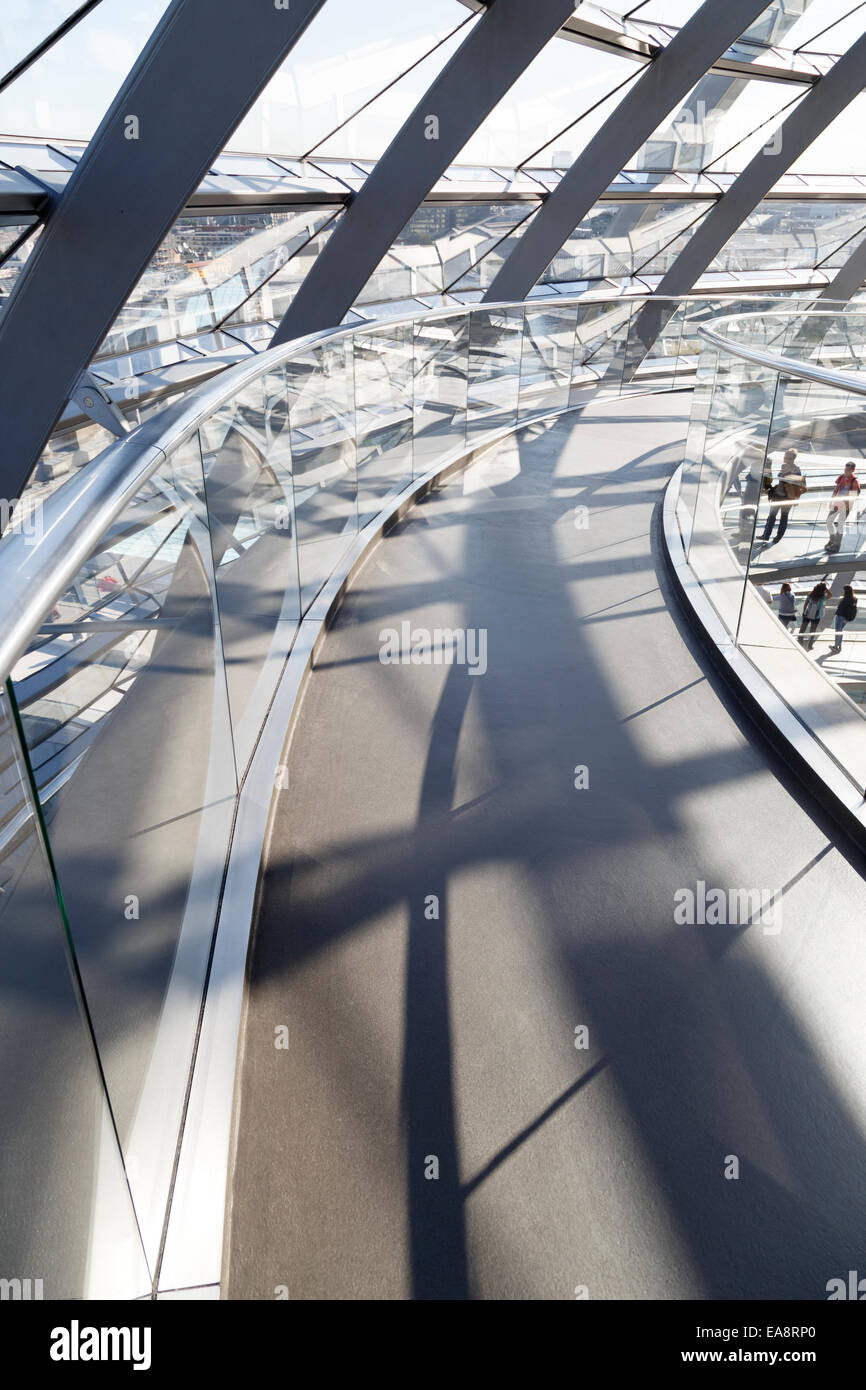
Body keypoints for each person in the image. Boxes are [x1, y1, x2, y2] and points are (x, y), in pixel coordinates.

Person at [760, 448, 806, 544]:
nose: (784, 458)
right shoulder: (783, 466)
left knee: (783, 517)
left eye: (787, 457)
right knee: (771, 516)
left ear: (792, 459)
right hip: (778, 495)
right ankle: (766, 535)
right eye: (785, 457)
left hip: (788, 497)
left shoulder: (796, 470)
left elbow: (798, 485)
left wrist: (796, 498)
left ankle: (778, 537)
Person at [825, 460, 860, 552]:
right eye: (845, 468)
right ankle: (832, 540)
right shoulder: (841, 477)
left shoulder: (854, 482)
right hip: (836, 504)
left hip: (845, 507)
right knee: (829, 522)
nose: (846, 470)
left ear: (852, 470)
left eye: (848, 469)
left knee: (840, 525)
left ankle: (836, 545)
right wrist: (832, 500)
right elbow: (836, 489)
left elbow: (852, 498)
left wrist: (845, 507)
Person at [799, 581, 829, 650]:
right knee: (812, 631)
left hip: (807, 614)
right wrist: (826, 589)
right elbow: (830, 595)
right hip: (816, 616)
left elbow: (805, 604)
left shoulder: (810, 595)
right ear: (823, 590)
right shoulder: (822, 597)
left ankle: (800, 643)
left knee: (803, 629)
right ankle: (810, 645)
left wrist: (803, 612)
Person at [831, 584, 858, 654]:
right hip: (847, 618)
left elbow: (840, 608)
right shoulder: (854, 599)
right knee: (840, 631)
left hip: (840, 617)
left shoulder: (843, 599)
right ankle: (839, 646)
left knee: (838, 631)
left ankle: (836, 647)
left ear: (845, 591)